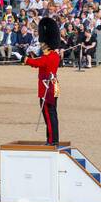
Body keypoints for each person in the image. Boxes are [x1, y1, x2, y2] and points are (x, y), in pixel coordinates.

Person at [25, 17, 61, 145]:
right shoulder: (54, 55)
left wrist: (25, 60)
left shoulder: (49, 56)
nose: (42, 45)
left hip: (47, 88)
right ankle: (52, 138)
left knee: (48, 114)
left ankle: (52, 140)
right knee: (52, 113)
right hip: (54, 86)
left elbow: (38, 63)